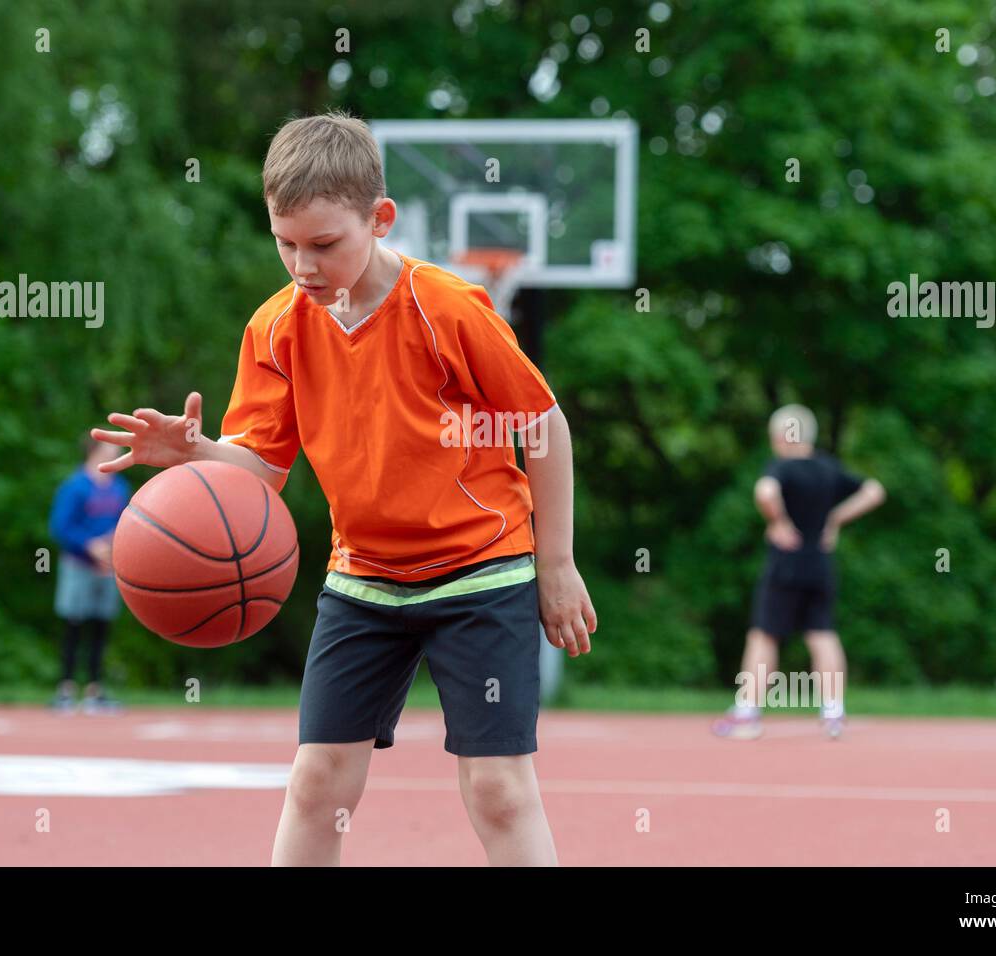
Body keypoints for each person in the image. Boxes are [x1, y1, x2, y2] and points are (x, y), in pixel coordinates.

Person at [89, 111, 597, 865]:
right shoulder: (276, 329)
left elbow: (544, 429)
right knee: (317, 783)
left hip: (483, 569)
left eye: (325, 244)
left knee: (498, 787)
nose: (303, 265)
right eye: (285, 243)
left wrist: (556, 567)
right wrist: (196, 451)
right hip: (365, 580)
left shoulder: (449, 308)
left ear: (380, 219)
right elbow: (263, 470)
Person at [714, 404, 885, 740]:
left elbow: (764, 492)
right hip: (820, 562)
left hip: (786, 563)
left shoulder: (782, 467)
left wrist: (778, 521)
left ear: (780, 437)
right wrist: (835, 519)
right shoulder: (828, 467)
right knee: (822, 633)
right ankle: (833, 711)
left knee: (764, 634)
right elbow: (874, 491)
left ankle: (747, 711)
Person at [48, 434, 130, 714]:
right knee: (73, 625)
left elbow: (130, 523)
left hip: (108, 569)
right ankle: (65, 690)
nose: (116, 448)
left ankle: (95, 690)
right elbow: (60, 526)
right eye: (110, 444)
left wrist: (114, 546)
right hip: (79, 565)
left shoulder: (119, 487)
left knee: (100, 627)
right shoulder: (75, 486)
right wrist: (88, 545)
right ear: (94, 449)